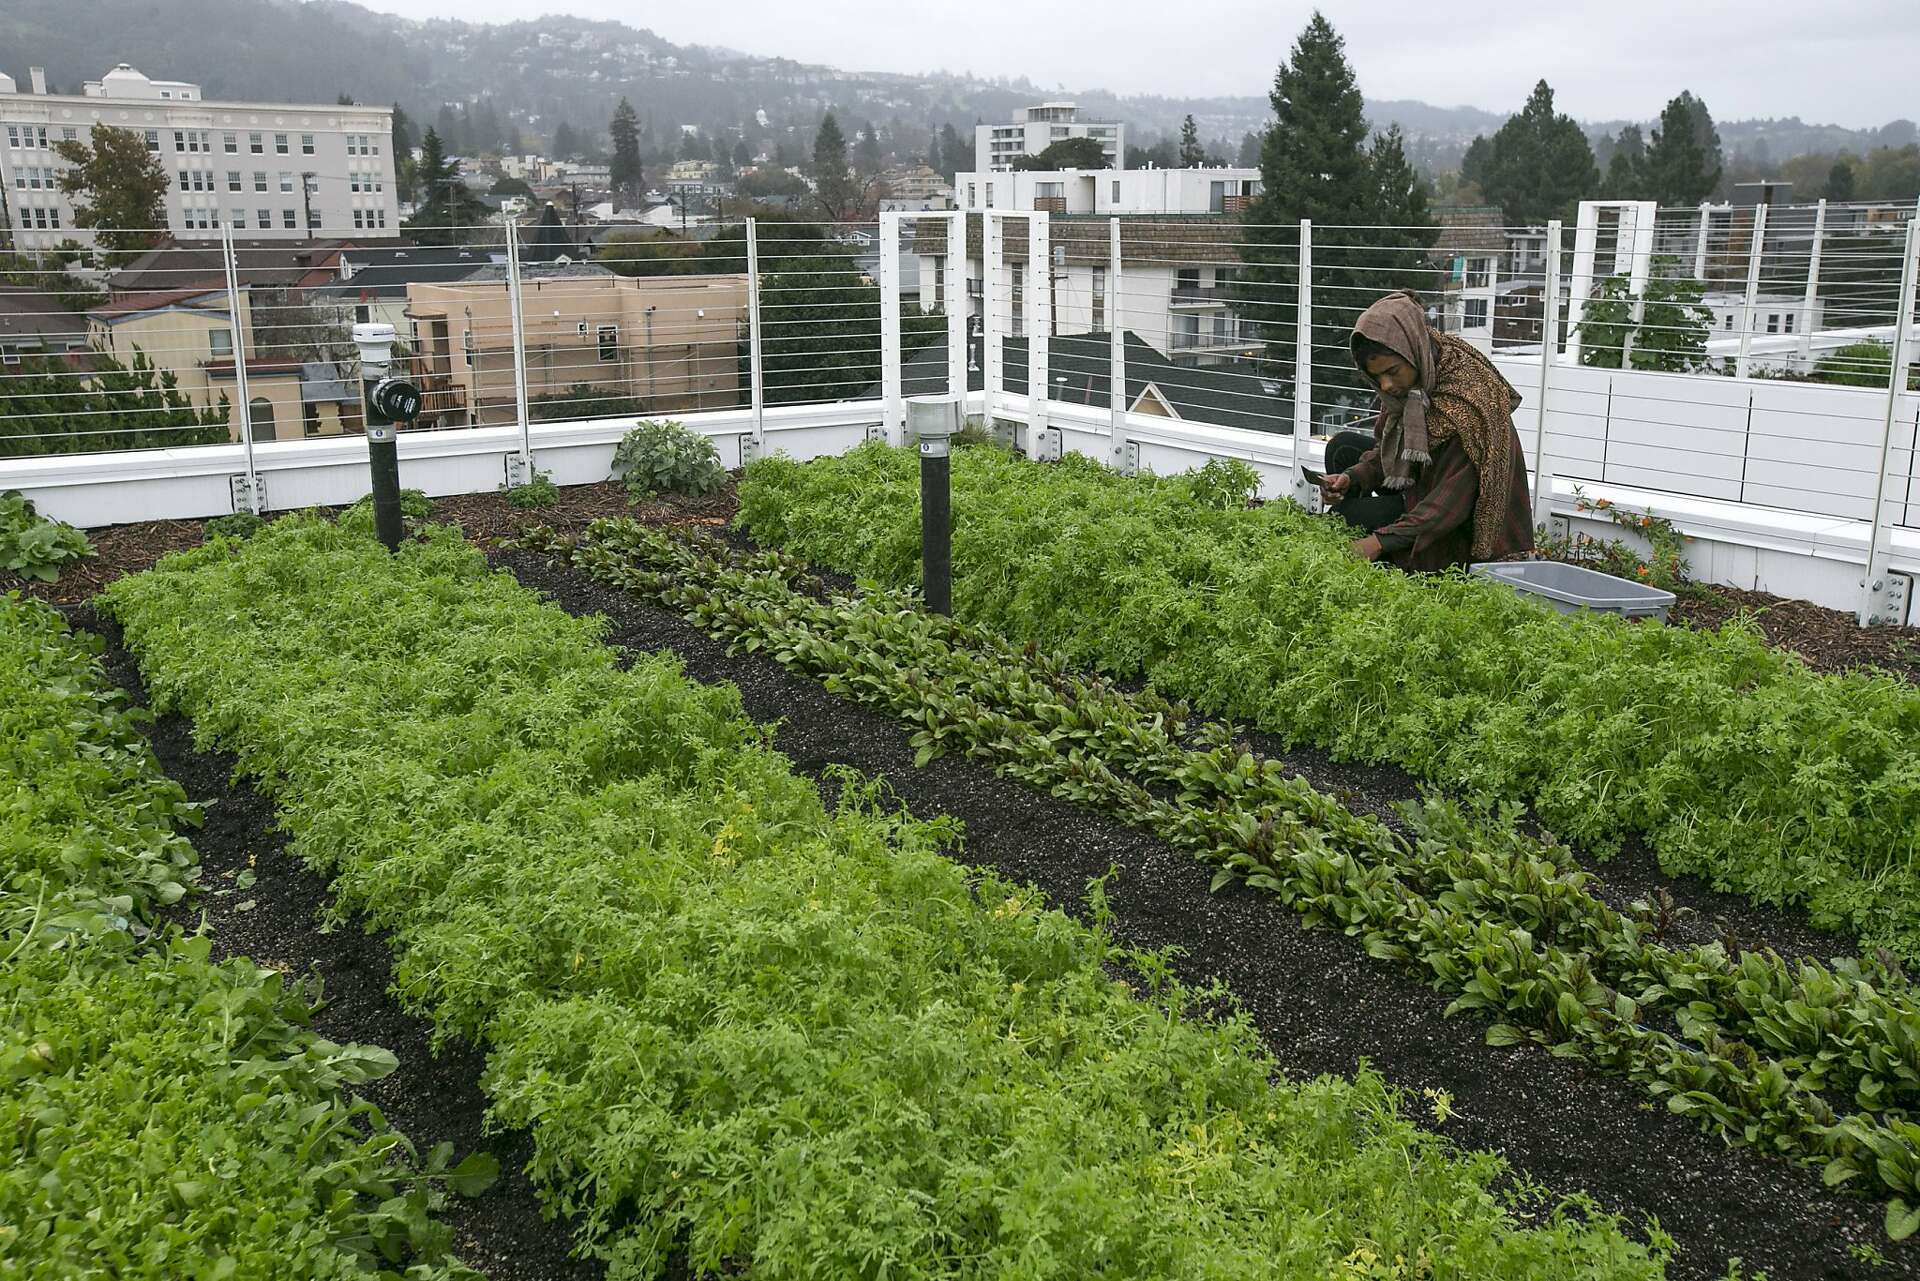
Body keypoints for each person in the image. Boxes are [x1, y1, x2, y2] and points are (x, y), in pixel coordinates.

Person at [1318, 290, 1535, 572]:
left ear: (1413, 352)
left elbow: (1446, 507)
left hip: (1460, 524)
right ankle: (1381, 534)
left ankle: (1398, 555)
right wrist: (1351, 478)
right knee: (1342, 448)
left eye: (1392, 372)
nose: (1385, 385)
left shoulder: (1468, 408)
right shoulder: (1417, 372)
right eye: (1376, 376)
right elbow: (1389, 450)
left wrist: (1379, 541)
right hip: (1423, 483)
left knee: (1345, 516)